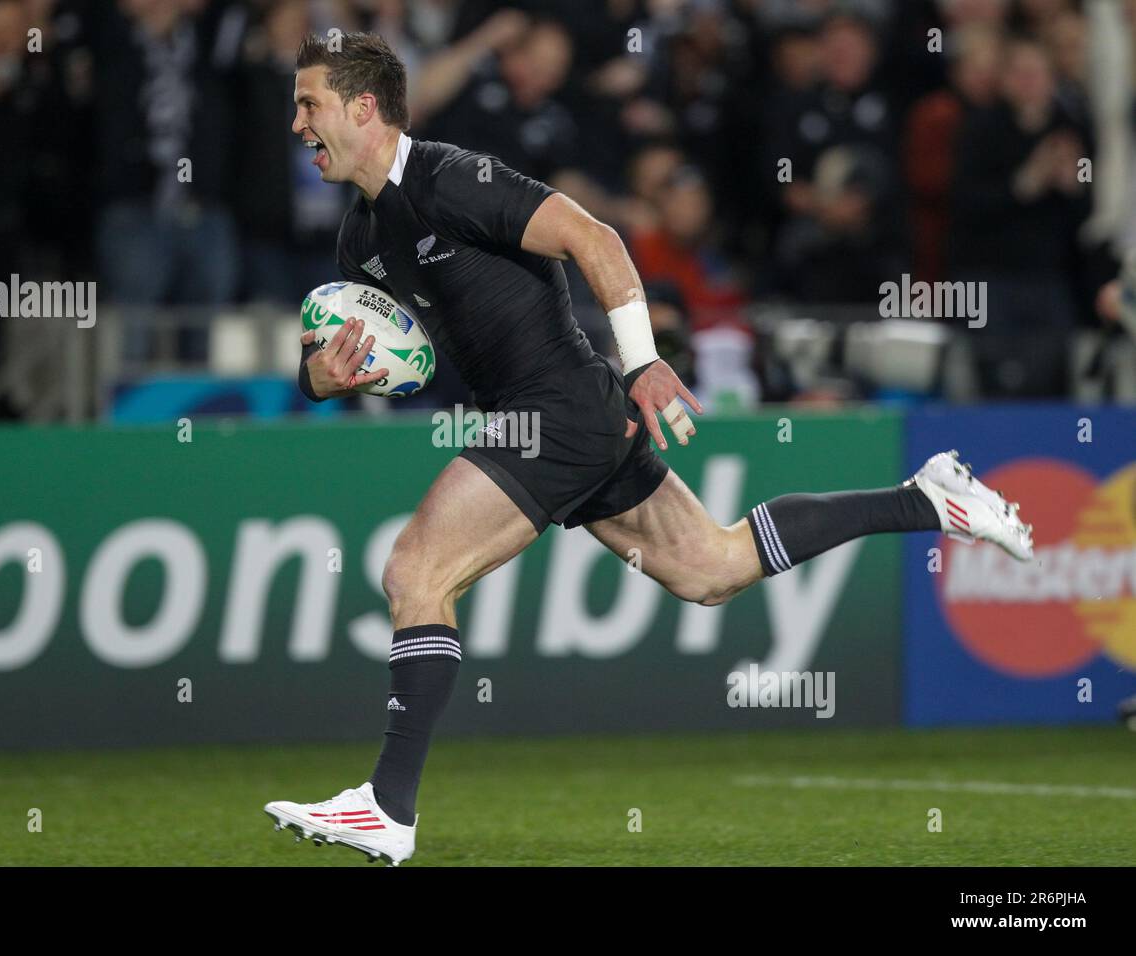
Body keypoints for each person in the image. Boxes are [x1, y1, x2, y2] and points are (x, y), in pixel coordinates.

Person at [263, 32, 1036, 867]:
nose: (298, 122)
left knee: (415, 572)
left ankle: (387, 806)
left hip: (557, 409)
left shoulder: (454, 177)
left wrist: (645, 363)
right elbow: (340, 361)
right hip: (568, 419)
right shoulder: (359, 240)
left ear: (364, 108)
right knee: (714, 569)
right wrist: (323, 379)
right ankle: (926, 499)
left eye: (310, 104)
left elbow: (596, 238)